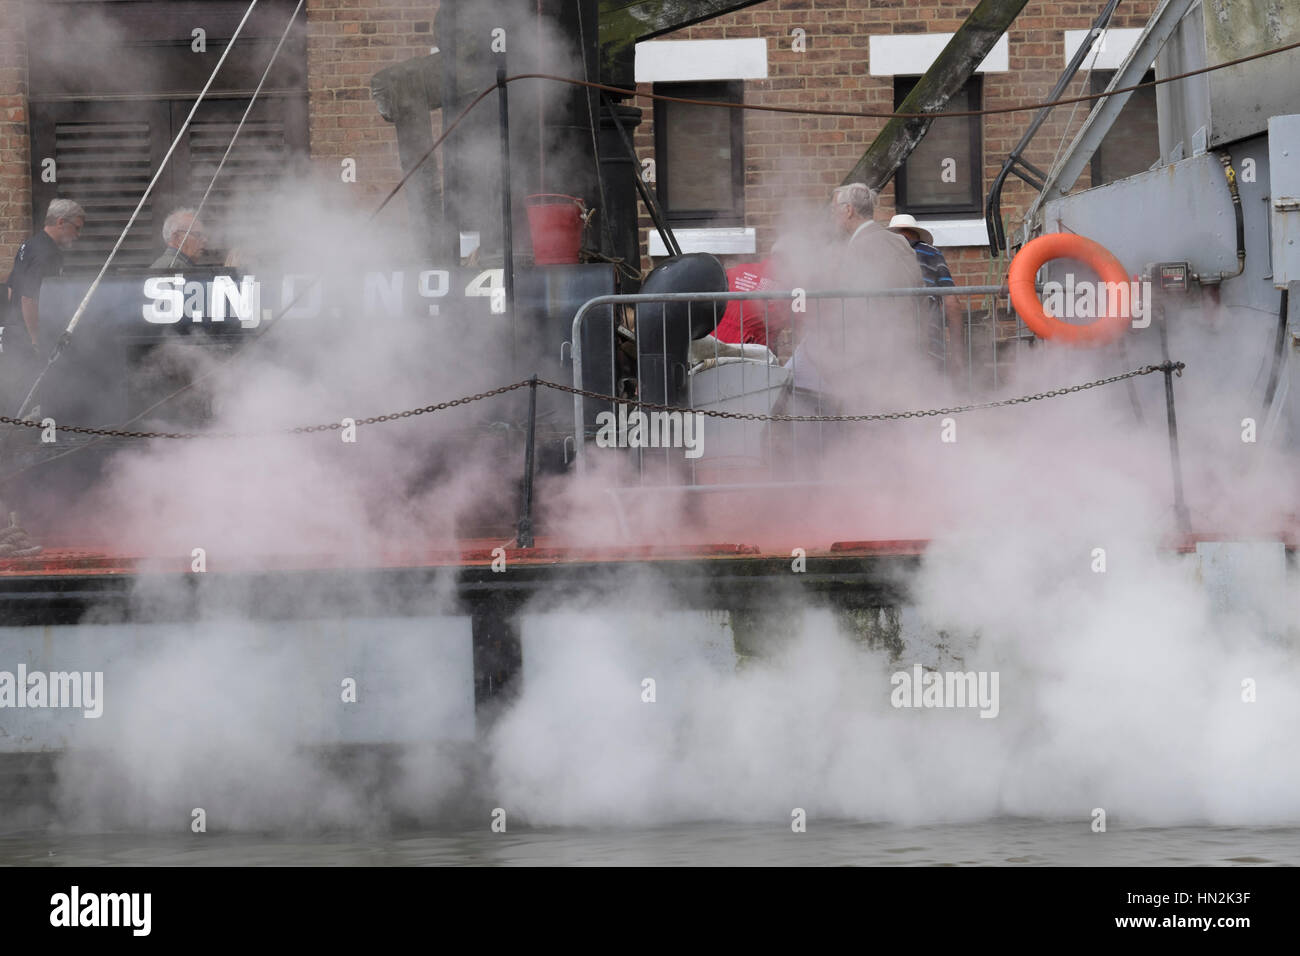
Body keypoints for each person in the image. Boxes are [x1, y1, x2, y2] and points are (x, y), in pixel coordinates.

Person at [2, 198, 85, 354]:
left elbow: (11, 288)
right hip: (30, 342)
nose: (78, 235)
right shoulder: (48, 254)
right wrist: (35, 341)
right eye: (77, 228)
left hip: (13, 333)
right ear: (61, 222)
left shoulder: (28, 245)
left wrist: (16, 320)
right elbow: (28, 298)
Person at [888, 213, 964, 376]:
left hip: (892, 346)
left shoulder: (883, 256)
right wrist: (957, 353)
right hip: (931, 344)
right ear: (916, 234)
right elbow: (951, 303)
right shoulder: (932, 254)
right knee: (933, 395)